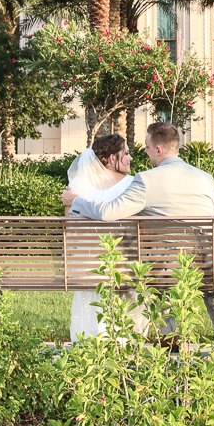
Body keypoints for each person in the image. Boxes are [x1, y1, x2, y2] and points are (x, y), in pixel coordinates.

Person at [64, 121, 214, 334]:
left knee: (163, 261)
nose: (144, 152)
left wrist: (75, 202)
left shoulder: (146, 180)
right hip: (211, 264)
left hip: (169, 268)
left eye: (147, 147)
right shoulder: (206, 178)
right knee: (200, 261)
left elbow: (108, 213)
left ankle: (170, 336)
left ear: (158, 150)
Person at [64, 133, 134, 341]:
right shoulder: (131, 185)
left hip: (85, 270)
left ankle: (86, 342)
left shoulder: (77, 186)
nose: (130, 158)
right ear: (112, 158)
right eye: (126, 153)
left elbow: (70, 230)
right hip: (120, 269)